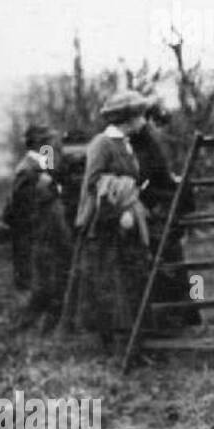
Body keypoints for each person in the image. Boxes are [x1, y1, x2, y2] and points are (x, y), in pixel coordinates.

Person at [70, 91, 153, 348]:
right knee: (108, 280)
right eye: (140, 116)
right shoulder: (102, 143)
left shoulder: (126, 143)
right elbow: (94, 182)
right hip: (103, 224)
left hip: (124, 221)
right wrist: (124, 197)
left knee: (126, 279)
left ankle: (128, 338)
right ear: (128, 118)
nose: (144, 121)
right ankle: (110, 341)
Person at [133, 101, 200, 328]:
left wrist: (176, 182)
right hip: (157, 209)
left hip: (166, 208)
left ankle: (182, 317)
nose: (159, 129)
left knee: (173, 264)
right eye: (156, 123)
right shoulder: (143, 142)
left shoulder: (158, 142)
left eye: (163, 124)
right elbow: (148, 175)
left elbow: (164, 173)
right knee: (164, 264)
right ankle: (171, 318)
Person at [3, 124, 55, 293]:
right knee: (32, 285)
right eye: (48, 141)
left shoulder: (39, 165)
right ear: (39, 143)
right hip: (31, 235)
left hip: (35, 234)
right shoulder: (28, 169)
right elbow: (21, 207)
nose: (51, 145)